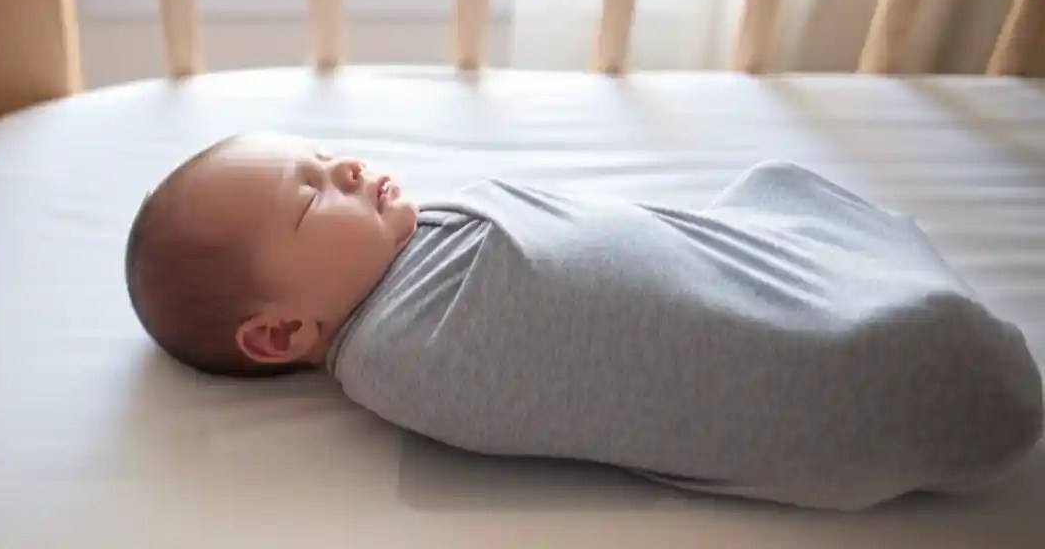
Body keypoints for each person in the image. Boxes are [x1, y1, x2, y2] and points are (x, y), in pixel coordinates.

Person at [125, 132, 1043, 510]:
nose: (352, 172)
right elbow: (634, 362)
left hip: (732, 263)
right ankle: (916, 352)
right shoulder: (417, 346)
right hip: (840, 356)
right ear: (281, 334)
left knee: (768, 196)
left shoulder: (392, 261)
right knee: (883, 350)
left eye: (328, 157)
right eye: (313, 197)